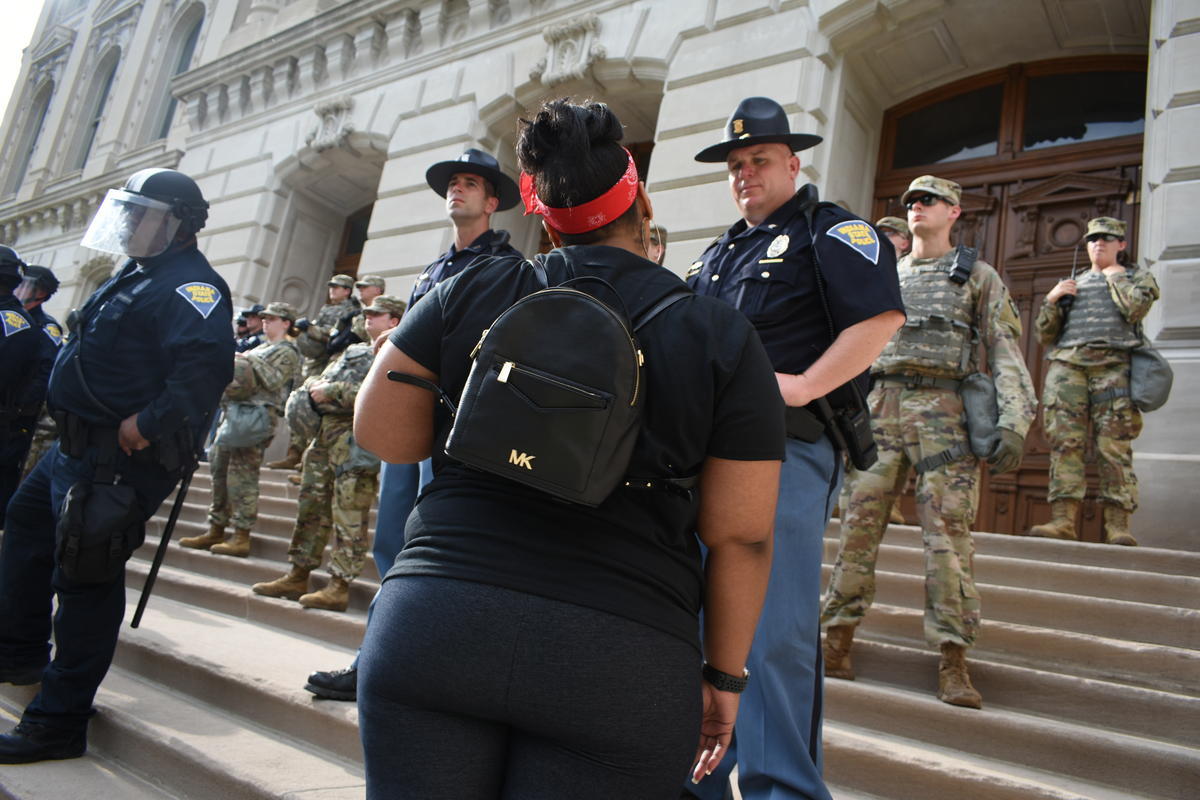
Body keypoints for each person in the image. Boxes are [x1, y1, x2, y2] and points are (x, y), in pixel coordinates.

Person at [355, 99, 783, 799]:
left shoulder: (476, 285)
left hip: (438, 621)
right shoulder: (720, 335)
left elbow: (381, 434)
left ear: (541, 212)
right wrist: (724, 676)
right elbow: (741, 535)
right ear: (639, 198)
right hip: (623, 657)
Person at [684, 96, 905, 800]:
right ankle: (700, 784)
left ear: (792, 162)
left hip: (786, 450)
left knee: (771, 632)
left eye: (759, 160)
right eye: (736, 164)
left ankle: (785, 789)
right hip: (703, 455)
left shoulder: (828, 230)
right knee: (699, 628)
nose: (745, 173)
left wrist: (808, 383)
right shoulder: (718, 254)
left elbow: (880, 317)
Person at [0, 168, 233, 763]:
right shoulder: (137, 272)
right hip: (71, 449)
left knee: (84, 580)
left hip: (118, 458)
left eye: (142, 213)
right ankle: (19, 653)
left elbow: (202, 376)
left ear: (178, 225)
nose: (129, 223)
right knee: (24, 537)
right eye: (126, 212)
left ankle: (58, 720)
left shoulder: (192, 286)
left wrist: (146, 424)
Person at [304, 148, 524, 701]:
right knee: (393, 545)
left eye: (471, 183)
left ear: (493, 201)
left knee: (430, 551)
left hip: (456, 434)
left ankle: (401, 664)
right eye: (453, 182)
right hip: (410, 423)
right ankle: (379, 657)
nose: (458, 191)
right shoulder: (436, 268)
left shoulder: (504, 269)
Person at [821, 175, 1037, 710]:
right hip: (880, 412)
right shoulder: (885, 275)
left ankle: (953, 656)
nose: (917, 207)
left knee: (948, 541)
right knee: (856, 532)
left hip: (946, 417)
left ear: (954, 212)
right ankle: (836, 640)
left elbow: (1006, 348)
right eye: (911, 201)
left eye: (929, 200)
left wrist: (1015, 419)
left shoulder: (977, 277)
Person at [251, 296, 405, 611]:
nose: (368, 318)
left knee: (348, 515)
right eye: (367, 313)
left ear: (395, 320)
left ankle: (338, 585)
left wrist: (331, 393)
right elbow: (321, 379)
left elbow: (383, 396)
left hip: (356, 443)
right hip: (324, 440)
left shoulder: (398, 354)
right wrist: (313, 390)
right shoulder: (352, 350)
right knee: (311, 509)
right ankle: (298, 574)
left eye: (376, 314)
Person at [1027, 216, 1159, 546]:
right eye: (1093, 239)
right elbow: (1044, 334)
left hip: (1113, 368)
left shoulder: (1136, 277)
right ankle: (1062, 521)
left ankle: (1117, 526)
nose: (1099, 243)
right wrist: (1052, 299)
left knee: (1113, 447)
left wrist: (1116, 279)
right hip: (1068, 368)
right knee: (1064, 445)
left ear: (1121, 245)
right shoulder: (1072, 282)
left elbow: (1135, 310)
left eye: (1107, 238)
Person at [179, 302, 301, 555]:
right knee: (219, 470)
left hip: (257, 415)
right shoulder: (259, 347)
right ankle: (216, 528)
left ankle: (241, 535)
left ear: (286, 322)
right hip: (235, 412)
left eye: (272, 318)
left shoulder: (287, 351)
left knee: (243, 476)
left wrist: (247, 361)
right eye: (264, 318)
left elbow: (275, 380)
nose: (266, 322)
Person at [267, 276, 359, 469]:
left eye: (337, 287)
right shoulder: (327, 308)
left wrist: (311, 329)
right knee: (300, 404)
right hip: (313, 362)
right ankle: (294, 453)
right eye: (331, 286)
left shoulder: (350, 312)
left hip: (329, 363)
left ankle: (306, 457)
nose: (332, 289)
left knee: (315, 407)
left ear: (347, 290)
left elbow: (335, 337)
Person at [1, 249, 56, 531]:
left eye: (31, 286)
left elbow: (42, 375)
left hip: (22, 421)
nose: (24, 290)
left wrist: (21, 410)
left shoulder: (43, 327)